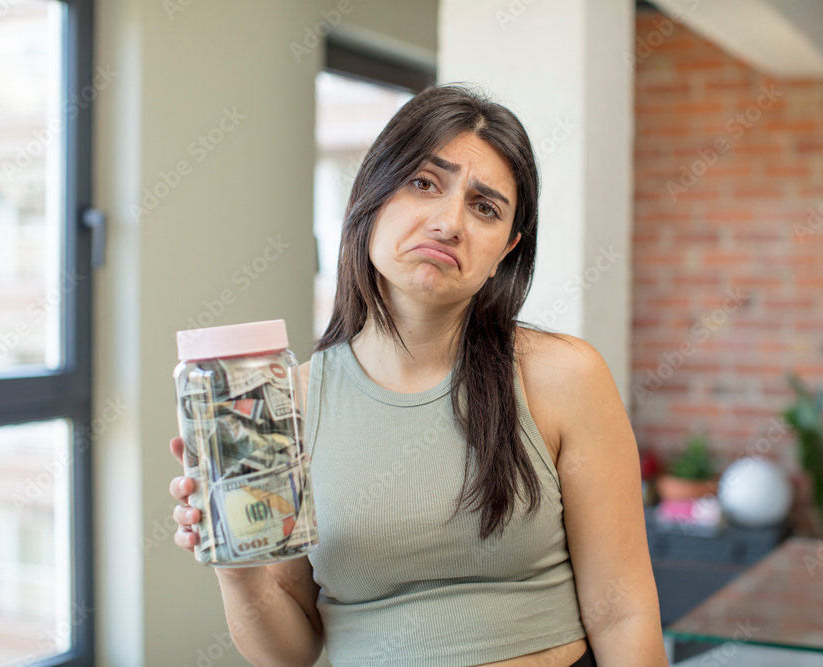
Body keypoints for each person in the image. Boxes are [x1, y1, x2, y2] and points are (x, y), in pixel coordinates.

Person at [169, 82, 666, 667]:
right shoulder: (289, 403)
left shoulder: (563, 376)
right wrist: (236, 568)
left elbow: (623, 611)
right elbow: (291, 654)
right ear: (373, 194)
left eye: (485, 207)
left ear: (506, 248)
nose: (449, 222)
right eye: (423, 183)